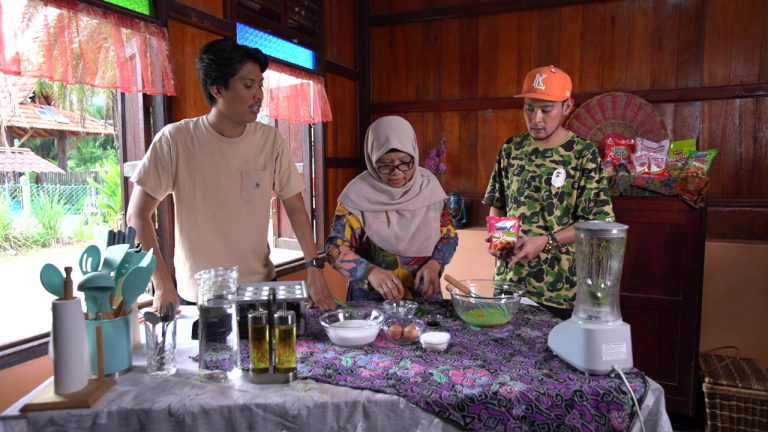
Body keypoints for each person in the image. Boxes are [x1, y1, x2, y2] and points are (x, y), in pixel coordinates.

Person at [127, 39, 335, 312]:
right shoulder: (175, 140)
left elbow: (295, 207)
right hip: (201, 296)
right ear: (217, 89)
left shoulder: (270, 140)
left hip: (260, 291)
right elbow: (137, 215)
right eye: (248, 85)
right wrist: (162, 284)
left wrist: (314, 267)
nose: (258, 95)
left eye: (260, 85)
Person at [482, 65, 614, 320]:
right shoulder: (512, 148)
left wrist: (546, 240)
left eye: (546, 109)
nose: (536, 118)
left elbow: (598, 222)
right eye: (529, 108)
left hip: (559, 288)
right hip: (510, 282)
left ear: (567, 106)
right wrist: (500, 241)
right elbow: (499, 203)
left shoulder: (582, 153)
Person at [326, 116, 458, 302]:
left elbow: (449, 236)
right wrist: (369, 272)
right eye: (385, 165)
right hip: (371, 306)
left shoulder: (429, 189)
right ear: (372, 161)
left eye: (404, 162)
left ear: (414, 155)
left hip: (424, 301)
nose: (396, 172)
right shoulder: (357, 196)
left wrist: (434, 265)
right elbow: (334, 249)